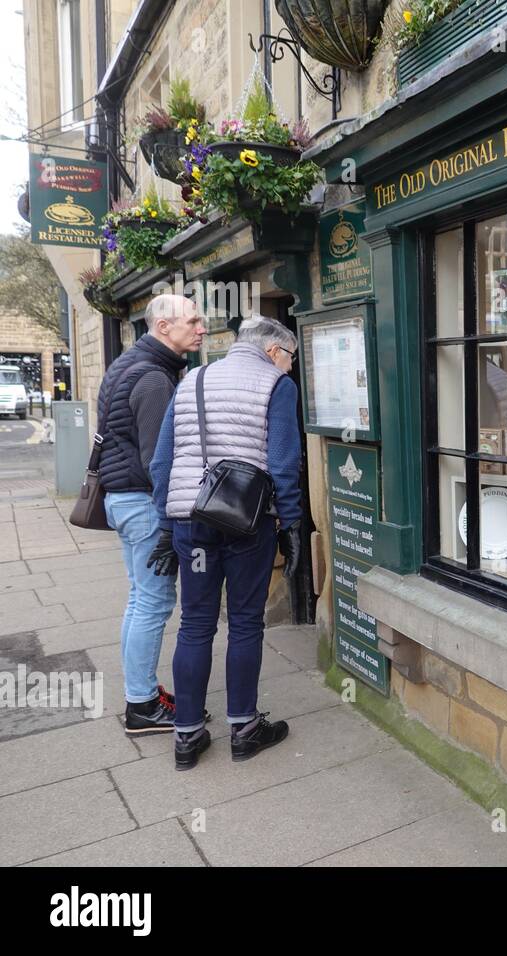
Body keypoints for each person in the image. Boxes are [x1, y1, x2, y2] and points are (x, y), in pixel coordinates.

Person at [149, 314, 303, 770]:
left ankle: (187, 736)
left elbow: (162, 461)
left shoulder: (191, 378)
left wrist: (164, 524)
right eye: (291, 357)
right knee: (245, 622)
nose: (291, 367)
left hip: (189, 521)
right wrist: (291, 525)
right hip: (245, 522)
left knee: (195, 623)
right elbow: (283, 463)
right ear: (273, 351)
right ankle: (244, 729)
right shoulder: (277, 384)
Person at [97, 294, 205, 736]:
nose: (201, 328)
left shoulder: (129, 363)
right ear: (164, 327)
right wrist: (168, 525)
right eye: (193, 321)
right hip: (142, 503)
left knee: (140, 598)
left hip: (122, 499)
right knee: (155, 602)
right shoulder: (155, 378)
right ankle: (141, 706)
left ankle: (142, 691)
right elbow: (157, 462)